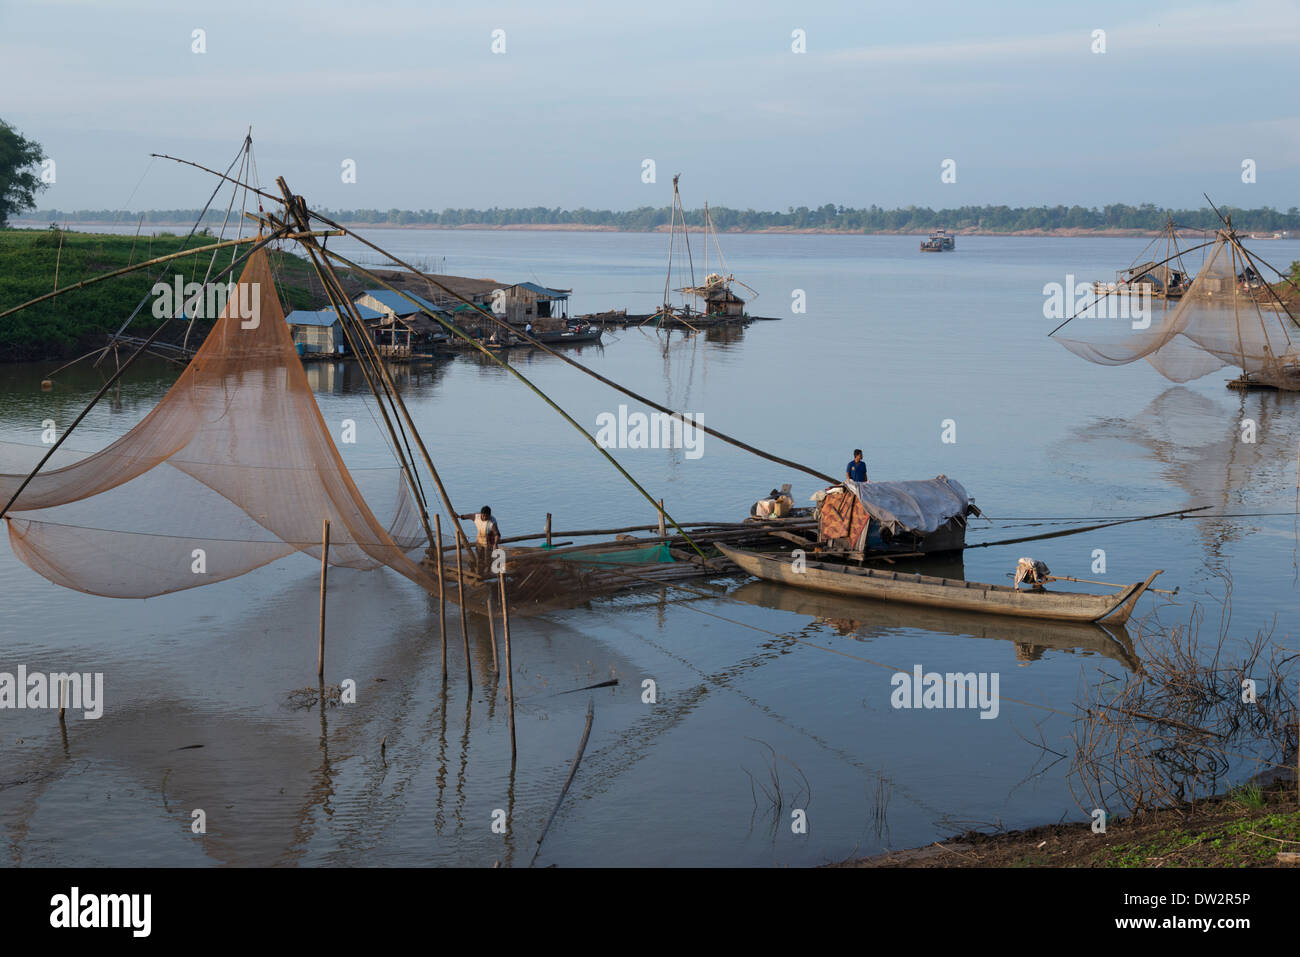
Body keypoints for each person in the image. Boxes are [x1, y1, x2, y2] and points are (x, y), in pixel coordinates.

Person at [458, 506, 501, 572]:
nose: (484, 517)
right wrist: (460, 516)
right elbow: (469, 516)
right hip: (479, 541)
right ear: (481, 514)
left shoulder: (492, 523)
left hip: (489, 542)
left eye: (486, 516)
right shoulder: (476, 517)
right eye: (483, 515)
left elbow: (497, 534)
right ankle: (480, 572)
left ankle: (488, 571)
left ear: (489, 516)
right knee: (479, 558)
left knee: (487, 559)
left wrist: (495, 544)